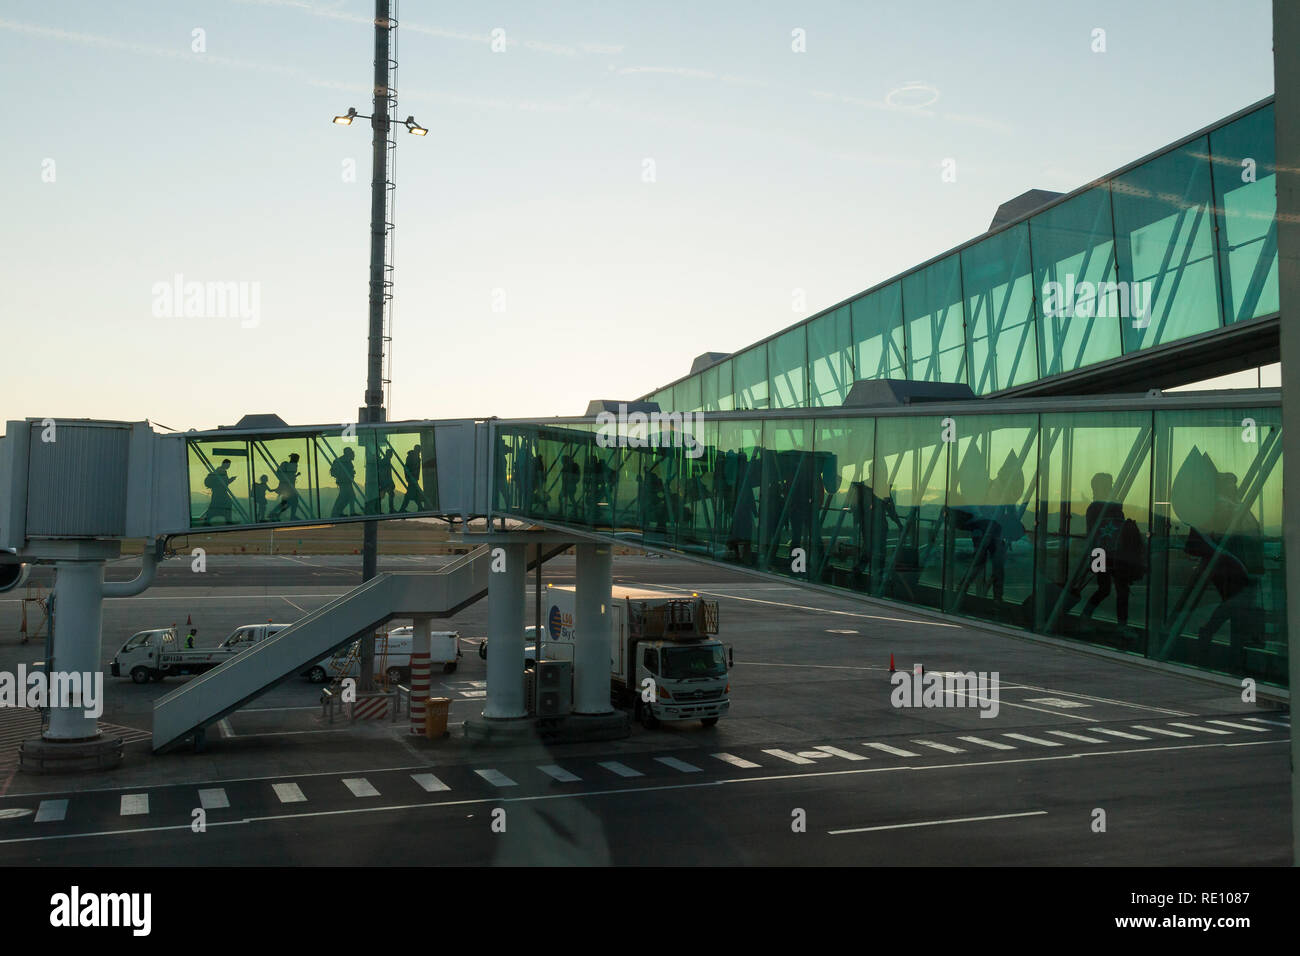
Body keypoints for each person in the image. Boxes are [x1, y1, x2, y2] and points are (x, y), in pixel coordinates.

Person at [1079, 472, 1138, 638]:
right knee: (1115, 589)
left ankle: (1087, 618)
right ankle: (1120, 625)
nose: (1111, 487)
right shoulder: (1105, 507)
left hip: (1104, 553)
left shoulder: (1098, 507)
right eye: (1108, 485)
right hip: (1105, 553)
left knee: (1110, 589)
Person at [201, 459, 237, 525]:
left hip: (217, 492)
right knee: (227, 504)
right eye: (228, 465)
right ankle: (228, 521)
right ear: (225, 464)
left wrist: (230, 480)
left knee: (214, 506)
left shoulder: (219, 471)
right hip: (220, 493)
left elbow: (223, 482)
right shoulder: (221, 471)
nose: (229, 466)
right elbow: (223, 483)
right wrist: (230, 480)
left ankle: (207, 521)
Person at [270, 452, 302, 520]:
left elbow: (289, 477)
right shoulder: (286, 464)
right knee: (293, 501)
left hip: (290, 487)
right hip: (287, 487)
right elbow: (284, 476)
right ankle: (278, 514)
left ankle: (275, 514)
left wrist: (295, 475)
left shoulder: (292, 465)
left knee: (287, 502)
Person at [330, 447, 358, 517]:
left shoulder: (345, 461)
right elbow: (333, 472)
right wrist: (342, 475)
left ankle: (338, 512)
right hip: (344, 482)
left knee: (346, 497)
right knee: (348, 496)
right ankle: (339, 512)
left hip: (346, 481)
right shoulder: (341, 461)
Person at [399, 445, 426, 512]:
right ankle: (403, 509)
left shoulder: (416, 457)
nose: (419, 451)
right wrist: (409, 477)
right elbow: (406, 467)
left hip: (414, 478)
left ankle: (419, 507)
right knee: (411, 494)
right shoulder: (411, 457)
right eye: (419, 450)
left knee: (415, 493)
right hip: (411, 478)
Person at [376, 448, 397, 513]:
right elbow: (384, 473)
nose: (391, 455)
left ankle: (388, 509)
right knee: (382, 496)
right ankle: (388, 509)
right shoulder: (385, 461)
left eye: (391, 454)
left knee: (389, 494)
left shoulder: (386, 460)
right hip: (385, 482)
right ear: (387, 454)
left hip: (386, 482)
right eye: (390, 454)